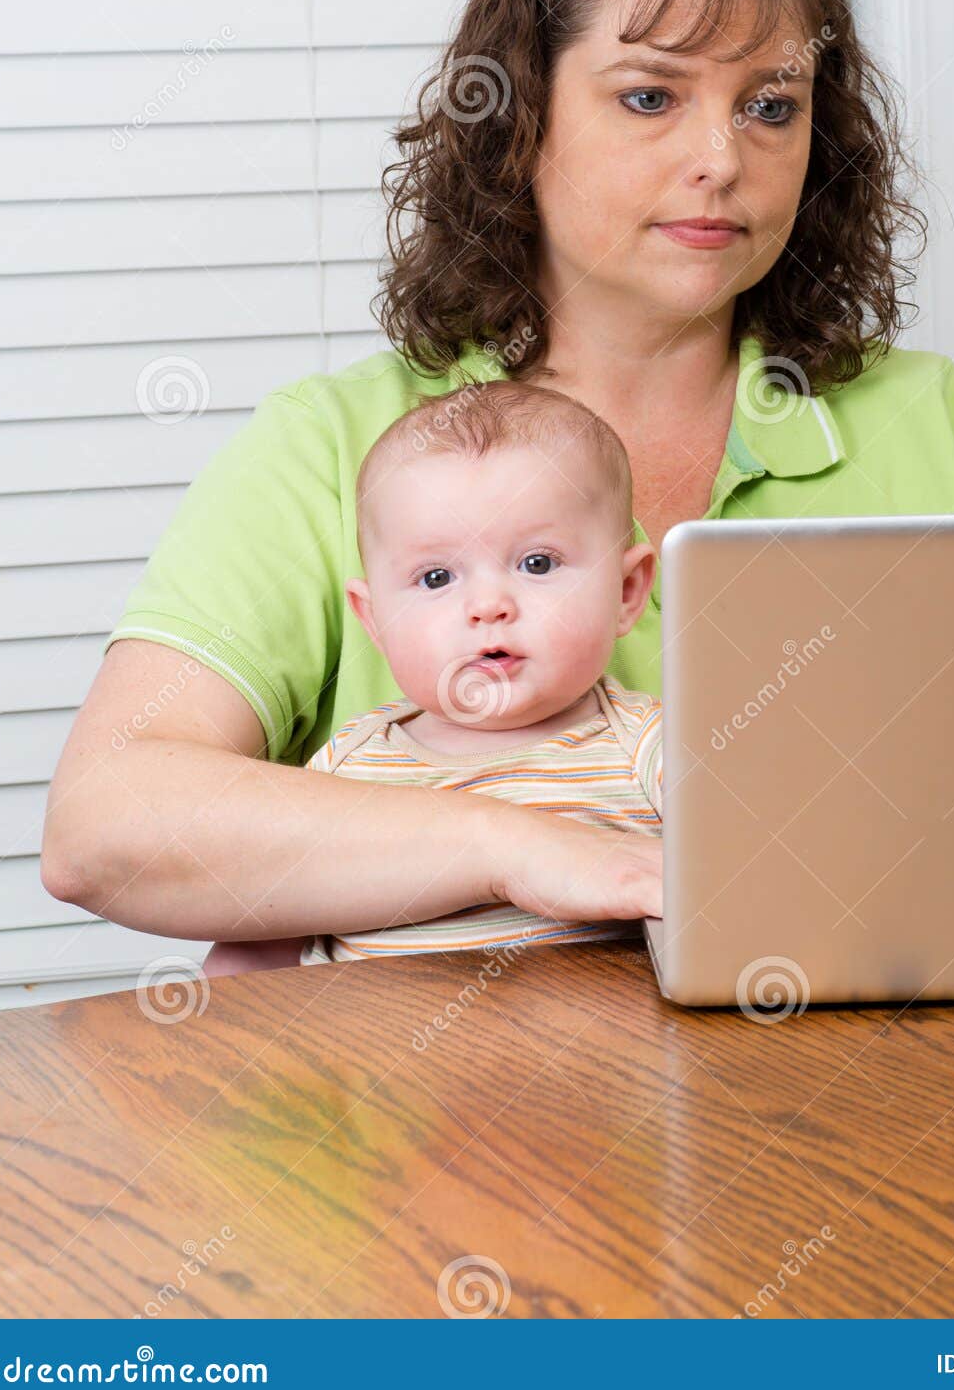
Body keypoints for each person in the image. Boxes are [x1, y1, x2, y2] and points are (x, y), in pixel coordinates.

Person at [40, 0, 954, 958]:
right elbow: (104, 825)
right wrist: (512, 846)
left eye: (770, 106)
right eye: (649, 96)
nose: (719, 158)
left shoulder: (946, 430)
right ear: (521, 119)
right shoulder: (330, 445)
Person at [203, 382, 663, 977]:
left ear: (626, 592)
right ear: (375, 620)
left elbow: (758, 877)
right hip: (379, 1063)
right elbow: (259, 939)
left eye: (538, 563)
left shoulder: (652, 746)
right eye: (437, 578)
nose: (488, 605)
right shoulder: (347, 769)